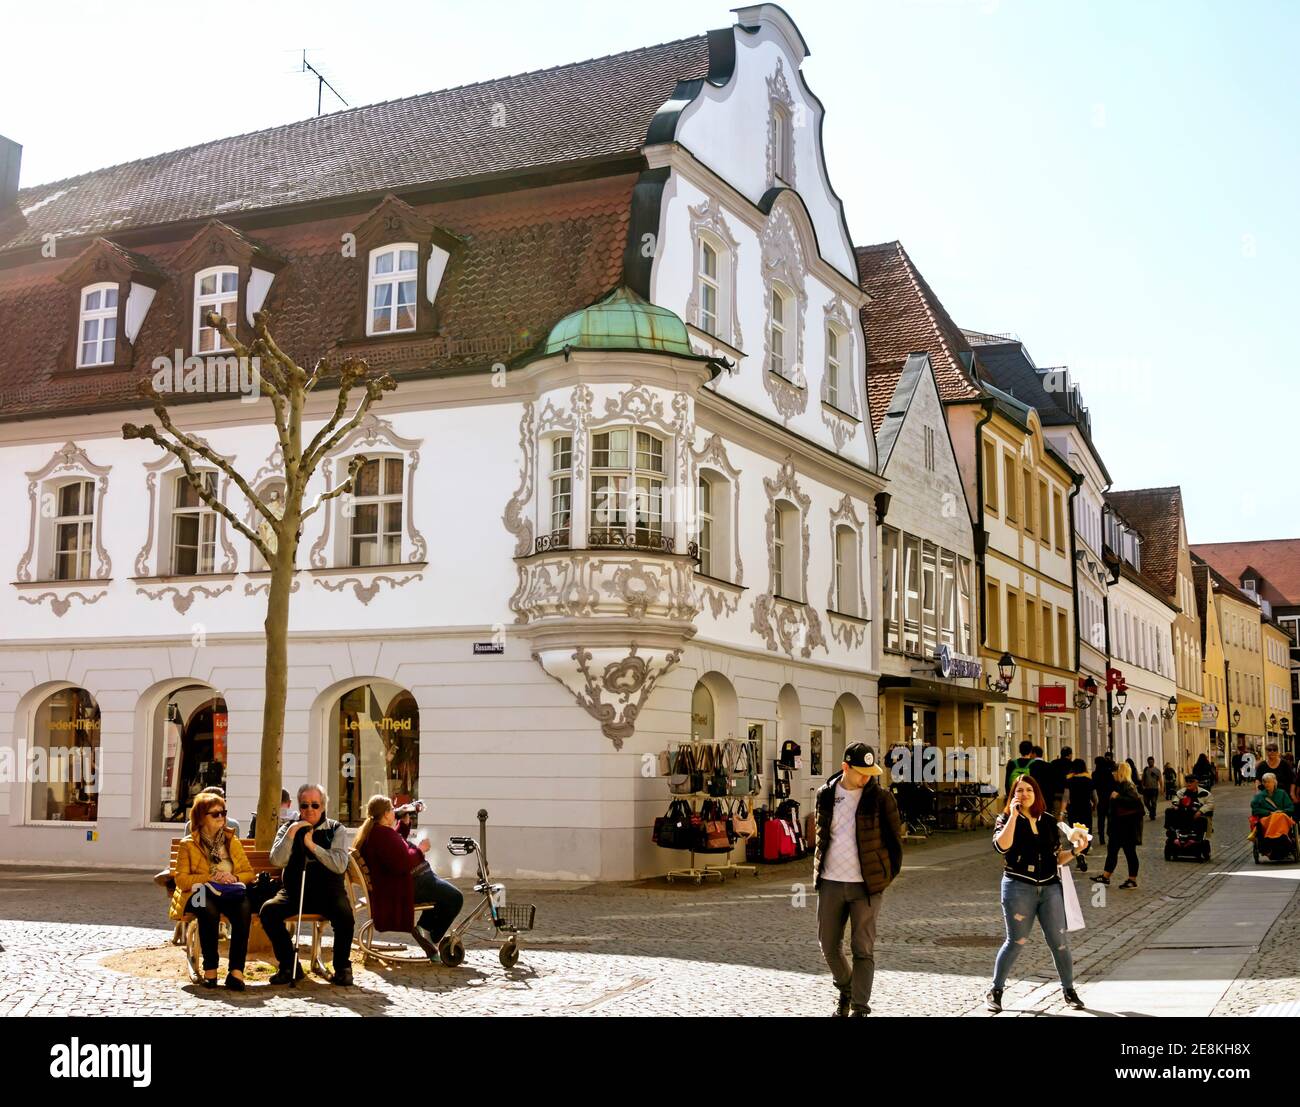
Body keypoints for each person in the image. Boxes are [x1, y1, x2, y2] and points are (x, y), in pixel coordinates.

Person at [813, 743, 903, 1017]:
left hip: (866, 886)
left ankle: (859, 1008)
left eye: (870, 772)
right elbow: (821, 835)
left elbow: (895, 842)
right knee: (828, 945)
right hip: (830, 881)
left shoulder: (881, 797)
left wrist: (884, 877)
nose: (867, 778)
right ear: (845, 768)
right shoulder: (826, 795)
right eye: (861, 772)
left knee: (862, 948)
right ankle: (847, 989)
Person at [987, 774, 1085, 1013]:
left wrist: (1075, 850)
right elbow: (1002, 846)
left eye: (1029, 790)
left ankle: (1069, 990)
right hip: (1018, 886)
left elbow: (1056, 858)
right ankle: (996, 990)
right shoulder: (1004, 819)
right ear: (1013, 795)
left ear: (1036, 794)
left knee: (1059, 942)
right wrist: (1012, 816)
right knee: (1016, 941)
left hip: (1050, 887)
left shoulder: (1048, 821)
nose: (1024, 795)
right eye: (1019, 791)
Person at [259, 783, 356, 986]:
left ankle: (342, 967)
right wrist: (292, 834)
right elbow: (277, 860)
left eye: (315, 805)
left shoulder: (336, 829)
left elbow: (339, 865)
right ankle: (290, 965)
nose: (309, 810)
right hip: (294, 891)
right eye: (305, 805)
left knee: (345, 915)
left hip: (329, 892)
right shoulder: (287, 828)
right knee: (268, 911)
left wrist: (313, 846)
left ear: (323, 806)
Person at [353, 795, 463, 963]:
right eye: (391, 809)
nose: (394, 812)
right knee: (455, 898)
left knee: (442, 895)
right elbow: (402, 862)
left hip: (414, 880)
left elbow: (394, 849)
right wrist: (420, 849)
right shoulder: (381, 835)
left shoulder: (377, 832)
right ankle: (430, 937)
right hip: (408, 886)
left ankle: (423, 930)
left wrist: (403, 826)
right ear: (384, 814)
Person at [168, 791, 254, 990]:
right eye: (215, 814)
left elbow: (249, 873)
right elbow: (181, 880)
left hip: (231, 891)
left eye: (223, 812)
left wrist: (235, 878)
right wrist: (210, 877)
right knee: (208, 910)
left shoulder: (231, 841)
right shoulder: (188, 844)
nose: (221, 817)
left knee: (244, 910)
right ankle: (210, 970)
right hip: (199, 892)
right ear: (201, 817)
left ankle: (236, 973)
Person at [1092, 761, 1142, 889]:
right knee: (1112, 851)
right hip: (1119, 827)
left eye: (1115, 771)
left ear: (1121, 773)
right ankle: (1105, 876)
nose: (1113, 773)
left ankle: (1132, 880)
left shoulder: (1128, 786)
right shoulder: (1120, 785)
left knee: (1130, 853)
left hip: (1127, 827)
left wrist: (1117, 797)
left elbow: (1136, 804)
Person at [1251, 773, 1295, 857]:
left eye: (1269, 782)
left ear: (1274, 782)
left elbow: (1291, 808)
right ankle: (1277, 838)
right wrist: (1269, 813)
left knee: (1280, 816)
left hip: (1282, 818)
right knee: (1276, 816)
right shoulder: (1259, 796)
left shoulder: (1282, 793)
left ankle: (1273, 838)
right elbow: (1255, 810)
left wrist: (1282, 811)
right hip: (1267, 820)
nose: (1267, 784)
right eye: (1265, 782)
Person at [1064, 758, 1094, 872]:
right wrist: (1095, 803)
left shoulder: (1069, 780)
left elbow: (1066, 796)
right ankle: (1083, 853)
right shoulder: (1088, 779)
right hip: (1086, 808)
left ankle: (1079, 854)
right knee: (1086, 832)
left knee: (1075, 832)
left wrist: (1063, 811)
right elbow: (1094, 795)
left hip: (1073, 809)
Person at [1166, 773, 1215, 838]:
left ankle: (1199, 837)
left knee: (1202, 819)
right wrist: (1176, 805)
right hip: (1183, 814)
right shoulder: (1182, 792)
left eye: (1191, 782)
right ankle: (1171, 830)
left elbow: (1210, 804)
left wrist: (1200, 811)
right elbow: (1176, 799)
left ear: (1196, 782)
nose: (1188, 784)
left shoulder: (1205, 793)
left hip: (1196, 814)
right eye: (1187, 782)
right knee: (1169, 811)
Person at [1092, 756, 1114, 846]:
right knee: (1110, 818)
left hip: (1100, 798)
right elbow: (1113, 785)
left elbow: (1093, 787)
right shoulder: (1109, 773)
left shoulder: (1095, 774)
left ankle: (1101, 837)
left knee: (1100, 819)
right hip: (1109, 799)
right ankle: (1110, 834)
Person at [1050, 746, 1074, 817]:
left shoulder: (1053, 763)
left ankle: (1058, 826)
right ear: (1070, 755)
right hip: (1069, 794)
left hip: (1056, 792)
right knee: (1071, 816)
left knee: (1057, 814)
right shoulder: (1072, 765)